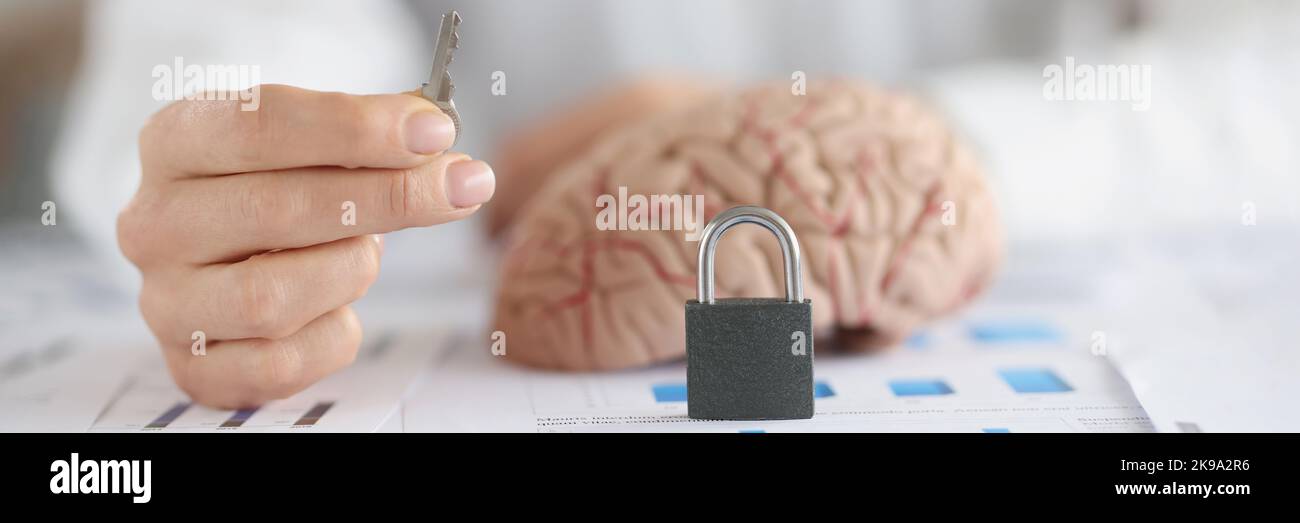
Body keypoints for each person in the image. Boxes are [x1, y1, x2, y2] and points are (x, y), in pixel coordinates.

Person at [52, 0, 1079, 407]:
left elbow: (1245, 73)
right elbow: (232, 27)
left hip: (1000, 213)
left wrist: (929, 162)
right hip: (480, 254)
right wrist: (246, 152)